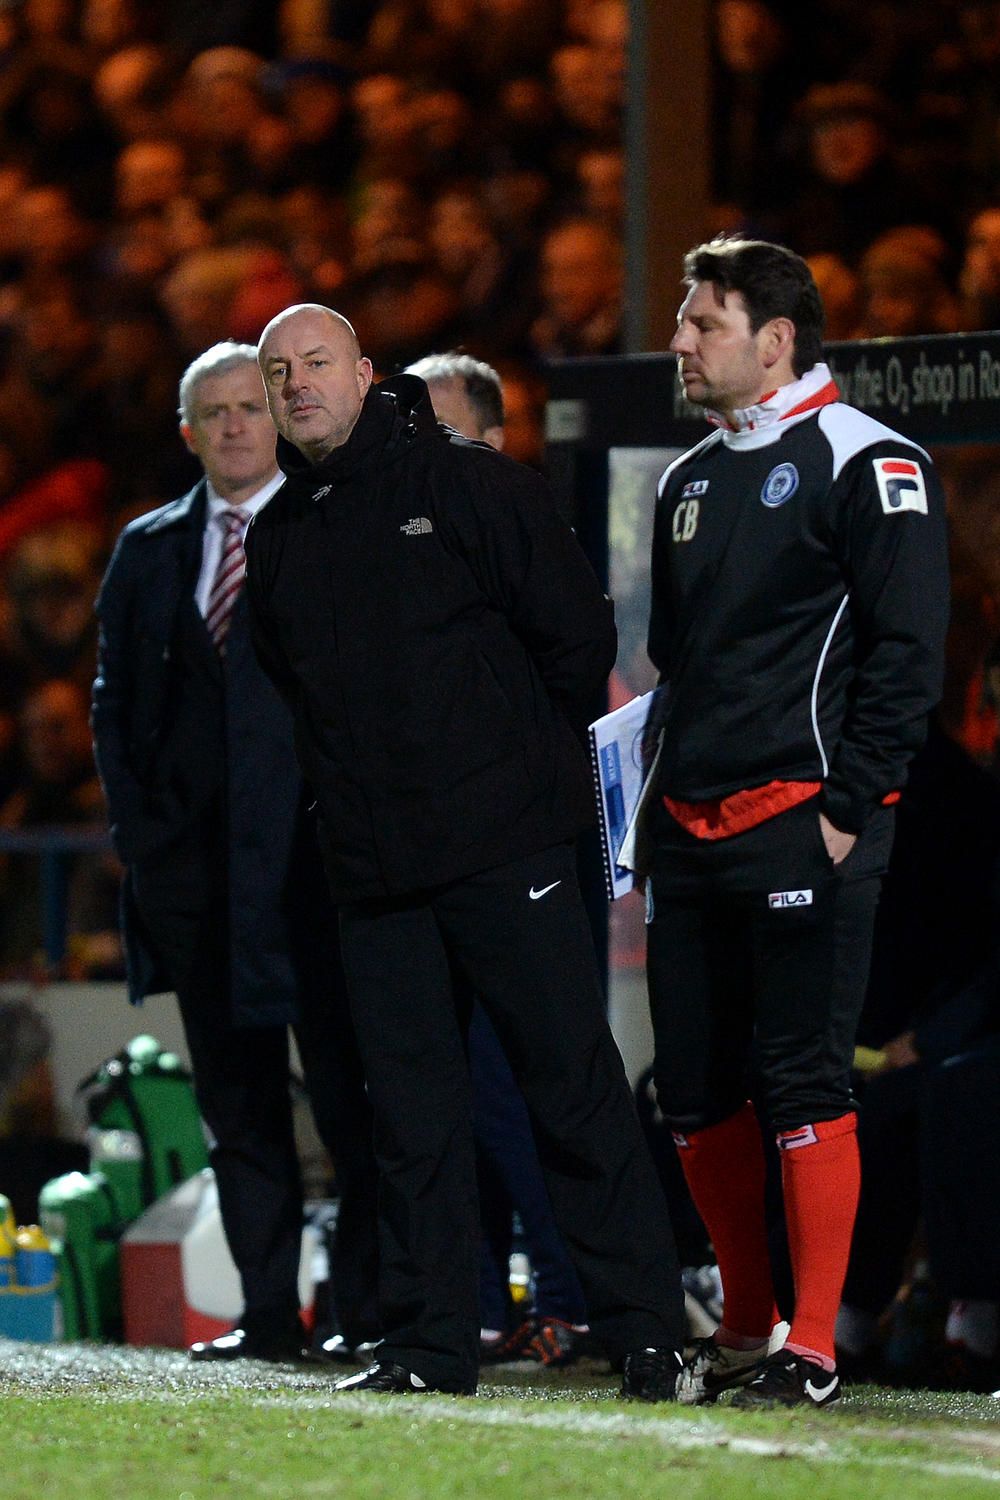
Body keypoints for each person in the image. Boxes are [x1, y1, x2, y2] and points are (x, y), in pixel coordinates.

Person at [245, 302, 685, 1399]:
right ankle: (429, 1344)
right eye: (278, 372)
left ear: (363, 372)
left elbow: (576, 643)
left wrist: (501, 775)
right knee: (410, 1117)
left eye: (315, 363)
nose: (298, 384)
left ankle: (643, 1333)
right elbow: (296, 689)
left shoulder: (471, 483)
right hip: (374, 873)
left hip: (507, 850)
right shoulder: (281, 534)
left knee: (570, 1088)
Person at [640, 238, 949, 1408]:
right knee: (696, 1092)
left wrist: (848, 808)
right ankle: (746, 1325)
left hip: (804, 827)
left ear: (773, 344)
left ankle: (810, 1348)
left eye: (700, 323)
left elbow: (909, 655)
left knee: (804, 1079)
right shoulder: (684, 483)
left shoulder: (871, 464)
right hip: (689, 826)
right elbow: (677, 664)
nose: (677, 342)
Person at [91, 340, 379, 1364]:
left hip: (319, 879)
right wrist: (144, 842)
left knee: (353, 1105)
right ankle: (267, 1318)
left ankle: (359, 1314)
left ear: (278, 412)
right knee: (240, 1108)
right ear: (186, 432)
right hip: (200, 888)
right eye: (209, 413)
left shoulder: (332, 526)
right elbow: (115, 708)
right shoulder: (148, 550)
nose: (232, 425)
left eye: (247, 406)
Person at [405, 350, 589, 1366]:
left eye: (440, 428)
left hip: (516, 845)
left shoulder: (519, 527)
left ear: (493, 434)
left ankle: (568, 1296)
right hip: (430, 850)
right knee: (456, 1090)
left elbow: (571, 663)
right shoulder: (398, 534)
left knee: (525, 1086)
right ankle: (482, 1302)